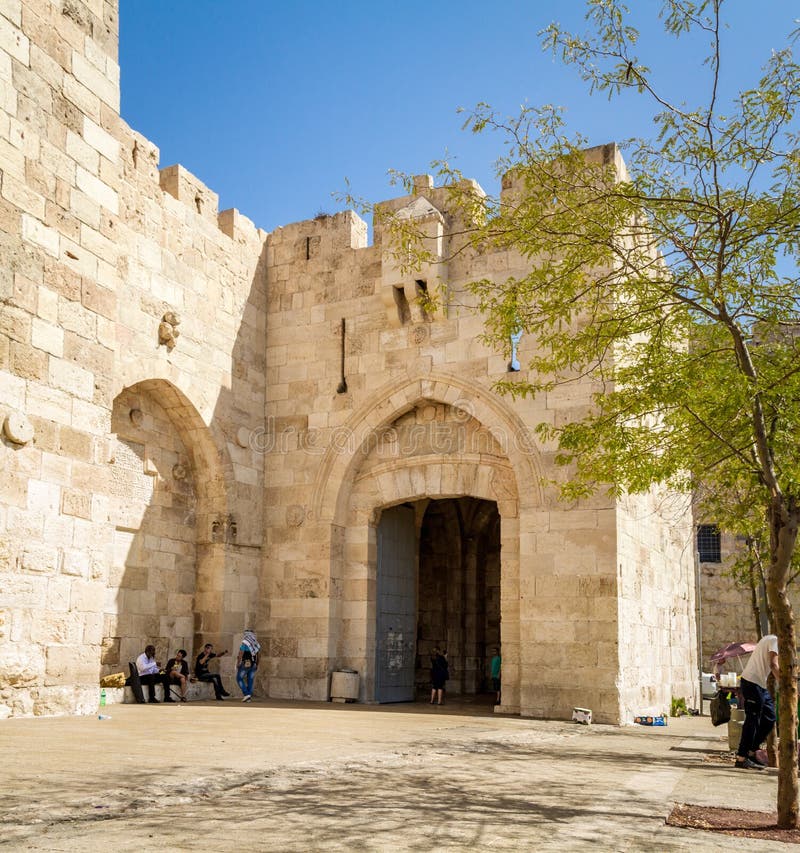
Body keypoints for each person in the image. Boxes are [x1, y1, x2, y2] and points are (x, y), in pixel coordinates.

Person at [736, 634, 779, 769]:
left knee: (770, 717)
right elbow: (773, 664)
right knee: (752, 720)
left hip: (760, 685)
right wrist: (784, 684)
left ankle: (751, 751)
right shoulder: (774, 640)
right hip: (752, 683)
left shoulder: (769, 638)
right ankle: (741, 758)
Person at [237, 629, 261, 702]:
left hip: (246, 663)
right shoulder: (256, 643)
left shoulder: (245, 642)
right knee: (250, 680)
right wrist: (257, 664)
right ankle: (248, 697)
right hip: (253, 664)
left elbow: (241, 653)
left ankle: (246, 694)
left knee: (239, 678)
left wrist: (238, 663)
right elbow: (259, 655)